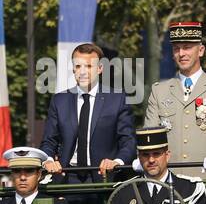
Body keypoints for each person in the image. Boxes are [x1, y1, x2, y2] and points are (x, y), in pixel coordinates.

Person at [142, 21, 206, 177]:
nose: (181, 53)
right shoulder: (159, 91)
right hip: (169, 181)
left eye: (187, 47)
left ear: (200, 50)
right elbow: (151, 134)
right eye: (176, 49)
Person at [40, 42, 135, 181]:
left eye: (89, 66)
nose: (83, 71)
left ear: (100, 68)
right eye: (78, 66)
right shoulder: (59, 101)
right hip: (66, 177)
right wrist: (48, 160)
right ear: (73, 69)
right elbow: (49, 141)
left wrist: (117, 162)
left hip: (105, 177)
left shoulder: (117, 99)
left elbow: (128, 141)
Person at [108, 126, 206, 204]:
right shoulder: (124, 192)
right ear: (139, 158)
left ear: (167, 155)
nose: (151, 160)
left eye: (156, 154)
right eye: (145, 155)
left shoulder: (190, 189)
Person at [0, 147, 66, 204]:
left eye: (29, 171)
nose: (22, 177)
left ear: (39, 175)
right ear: (12, 175)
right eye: (17, 171)